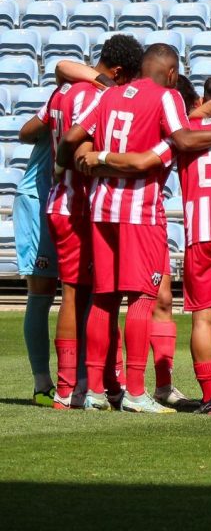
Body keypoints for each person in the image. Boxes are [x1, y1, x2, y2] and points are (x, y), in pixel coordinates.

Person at [59, 43, 211, 412]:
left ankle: (88, 391)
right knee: (142, 297)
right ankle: (136, 392)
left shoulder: (108, 96)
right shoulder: (167, 97)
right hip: (139, 211)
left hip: (101, 207)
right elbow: (182, 139)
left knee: (103, 297)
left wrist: (74, 164)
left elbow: (73, 140)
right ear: (172, 73)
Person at [15, 38, 144, 408]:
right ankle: (78, 384)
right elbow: (80, 146)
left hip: (59, 204)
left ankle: (74, 385)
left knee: (72, 294)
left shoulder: (63, 93)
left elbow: (42, 117)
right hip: (83, 206)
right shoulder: (104, 99)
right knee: (88, 295)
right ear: (119, 73)